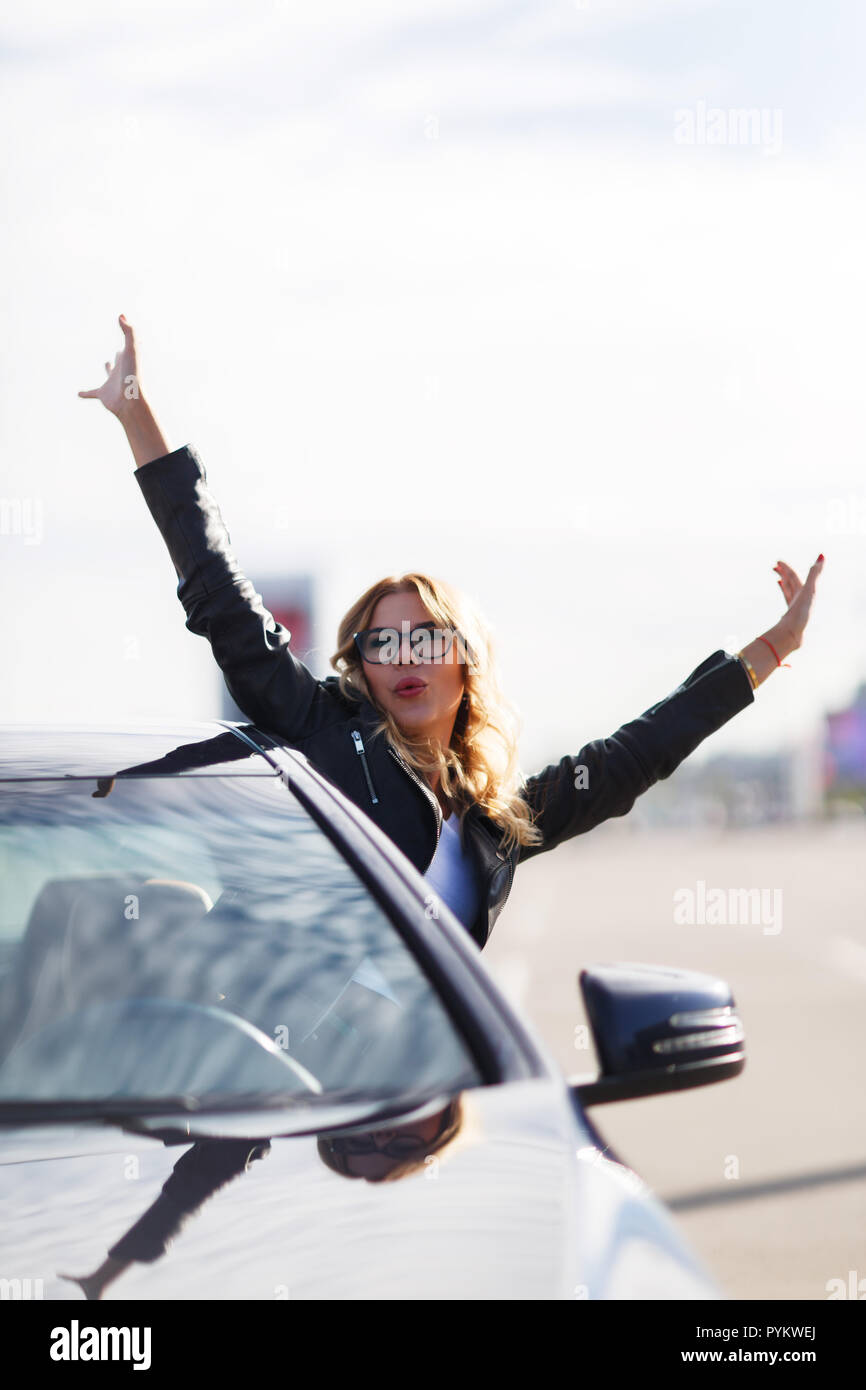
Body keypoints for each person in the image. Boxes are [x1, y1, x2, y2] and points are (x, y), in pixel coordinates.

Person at [79, 315, 825, 951]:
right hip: (295, 1088)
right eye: (383, 642)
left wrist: (774, 650)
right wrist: (140, 417)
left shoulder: (496, 824)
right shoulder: (323, 731)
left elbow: (644, 749)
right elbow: (222, 595)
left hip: (422, 1103)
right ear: (359, 665)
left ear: (466, 664)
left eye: (428, 639)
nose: (405, 657)